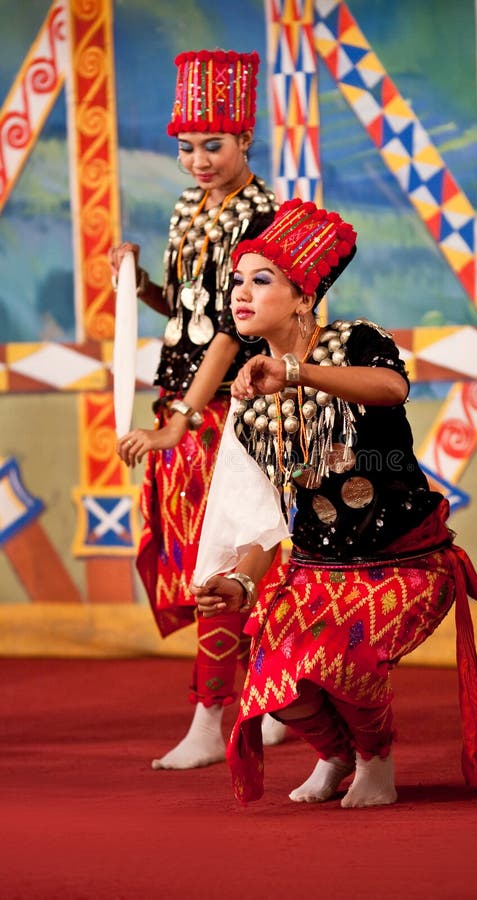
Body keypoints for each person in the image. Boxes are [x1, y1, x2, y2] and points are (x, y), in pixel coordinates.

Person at [192, 198, 477, 807]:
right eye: (237, 281)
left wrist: (297, 372)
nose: (241, 293)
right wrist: (240, 586)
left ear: (303, 296)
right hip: (317, 571)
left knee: (334, 652)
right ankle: (335, 758)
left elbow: (391, 388)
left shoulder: (356, 340)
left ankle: (376, 761)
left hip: (406, 562)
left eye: (262, 280)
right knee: (274, 664)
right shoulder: (249, 399)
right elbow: (262, 523)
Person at [110, 49, 284, 769]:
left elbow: (232, 326)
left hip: (235, 407)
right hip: (187, 399)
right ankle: (261, 700)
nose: (199, 160)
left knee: (228, 556)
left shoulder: (260, 215)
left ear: (245, 140)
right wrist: (138, 282)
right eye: (186, 147)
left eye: (213, 145)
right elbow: (185, 309)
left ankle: (218, 715)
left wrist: (182, 415)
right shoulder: (189, 208)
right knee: (202, 556)